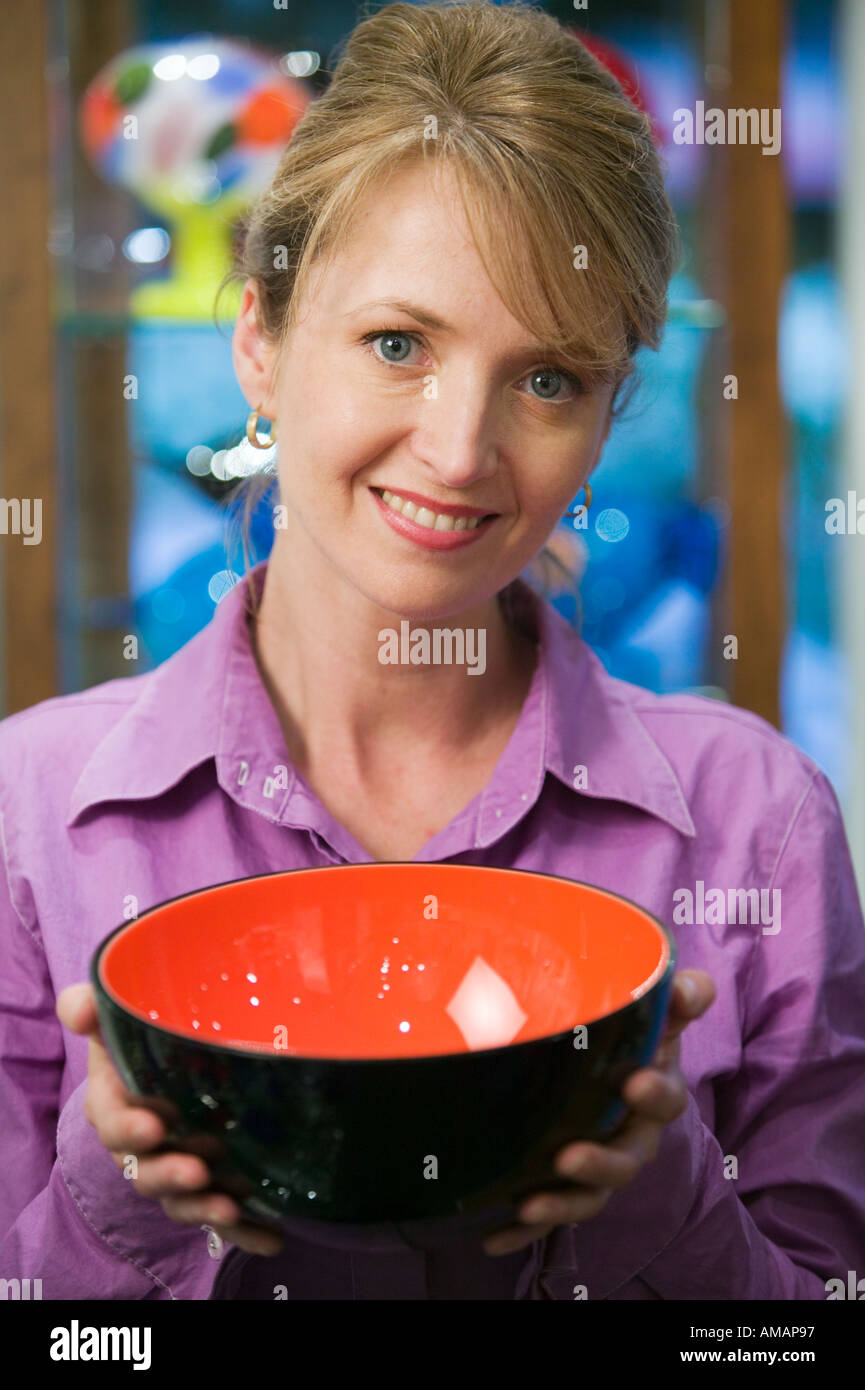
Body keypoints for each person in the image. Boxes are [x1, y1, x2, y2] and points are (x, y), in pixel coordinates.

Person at [1, 0, 863, 1301]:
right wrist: (108, 1204)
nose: (459, 451)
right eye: (395, 344)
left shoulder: (759, 824)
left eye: (547, 379)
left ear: (607, 409)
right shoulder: (27, 817)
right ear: (261, 341)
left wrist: (666, 1205)